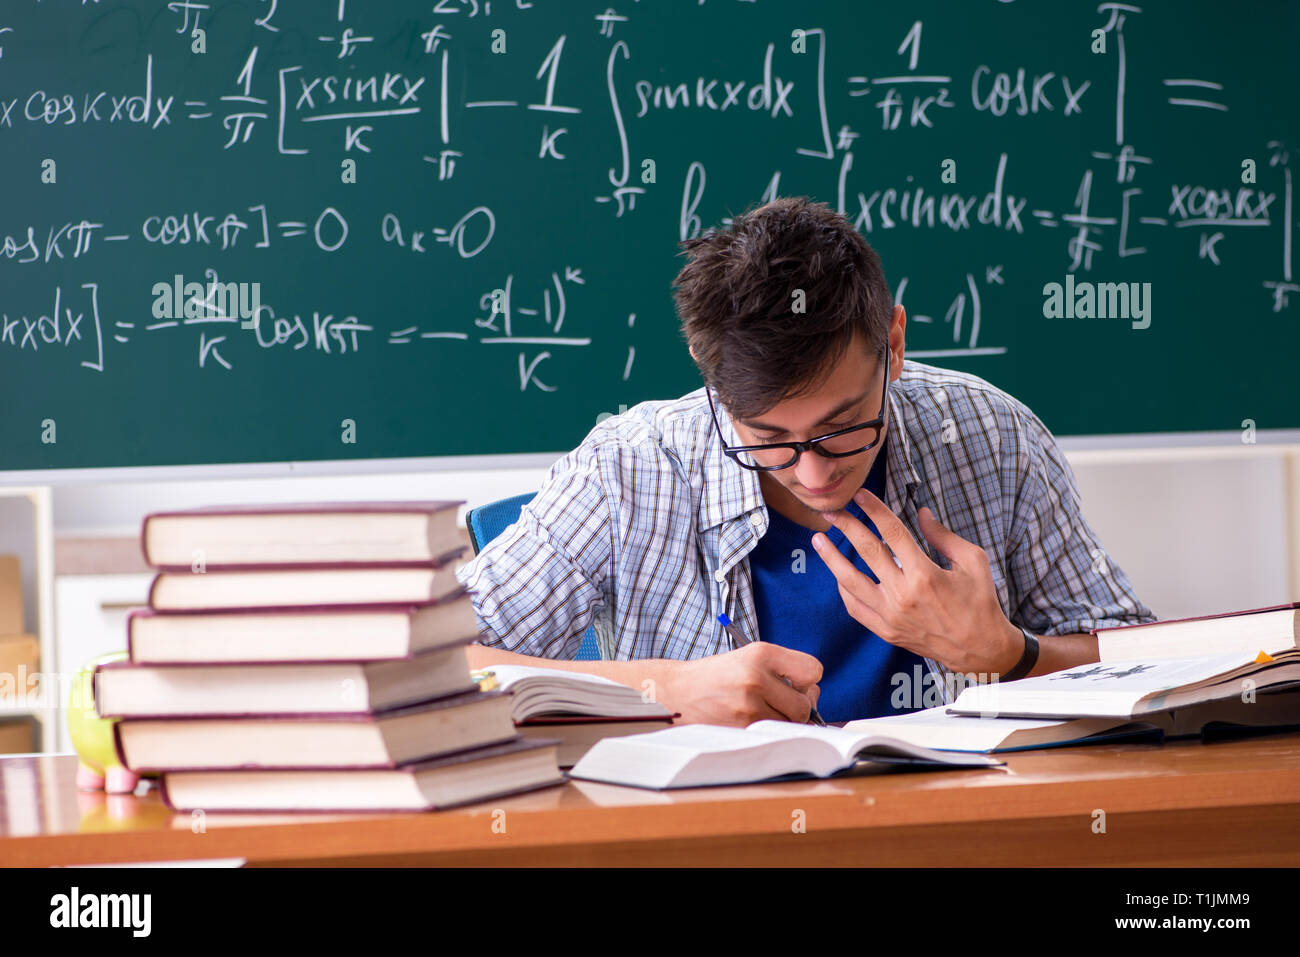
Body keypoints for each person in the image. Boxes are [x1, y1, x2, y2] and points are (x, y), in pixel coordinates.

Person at [455, 197, 1156, 726]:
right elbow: (430, 672)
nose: (815, 474)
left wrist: (1011, 651)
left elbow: (1153, 662)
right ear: (713, 385)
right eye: (766, 437)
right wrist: (664, 688)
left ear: (896, 344)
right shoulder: (626, 472)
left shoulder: (994, 437)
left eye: (842, 425)